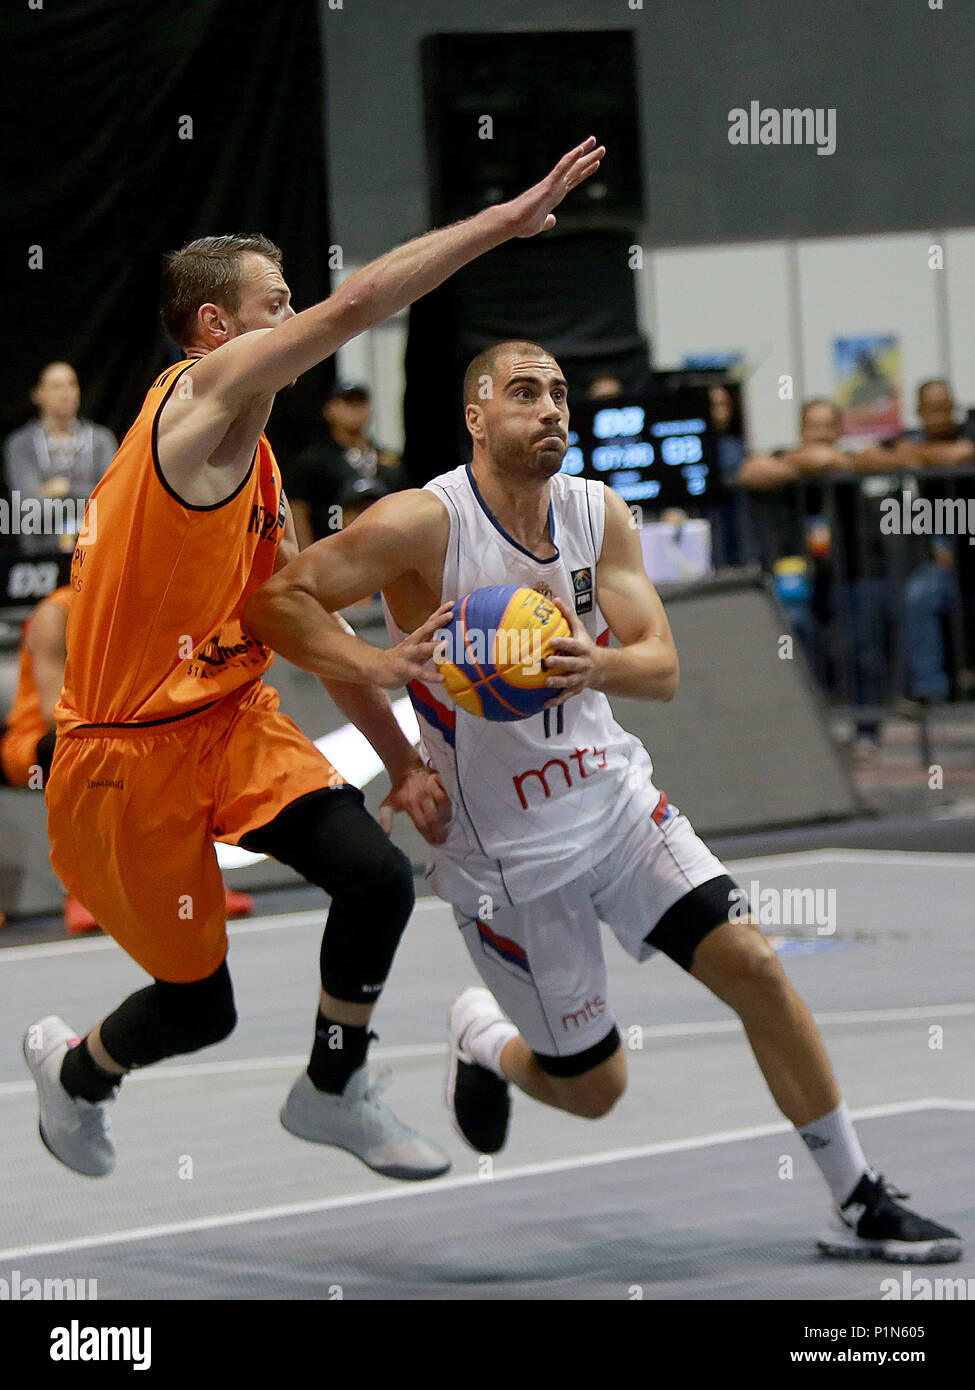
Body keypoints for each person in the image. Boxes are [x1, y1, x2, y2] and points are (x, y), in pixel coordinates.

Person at [245, 340, 961, 1264]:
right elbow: (280, 605)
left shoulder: (598, 512)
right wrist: (393, 725)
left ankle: (855, 1196)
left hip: (615, 801)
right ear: (475, 416)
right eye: (524, 394)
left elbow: (659, 666)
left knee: (754, 966)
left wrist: (600, 663)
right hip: (505, 856)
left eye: (559, 394)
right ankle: (484, 1040)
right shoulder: (420, 523)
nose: (550, 410)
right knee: (594, 1090)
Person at [23, 136, 607, 1182]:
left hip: (230, 725)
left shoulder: (259, 466)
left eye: (293, 302)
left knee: (376, 879)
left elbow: (302, 624)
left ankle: (332, 1086)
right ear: (216, 328)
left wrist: (406, 756)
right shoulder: (191, 405)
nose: (298, 320)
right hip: (123, 760)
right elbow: (354, 310)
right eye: (275, 304)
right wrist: (500, 226)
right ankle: (78, 1072)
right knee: (201, 1009)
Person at [0, 587, 253, 934]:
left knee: (185, 743)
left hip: (121, 729)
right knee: (94, 751)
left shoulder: (150, 608)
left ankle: (199, 887)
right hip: (37, 744)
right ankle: (84, 893)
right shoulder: (55, 615)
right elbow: (52, 714)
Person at [2, 363, 117, 555]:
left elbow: (112, 502)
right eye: (57, 386)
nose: (66, 393)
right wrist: (88, 495)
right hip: (41, 559)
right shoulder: (21, 444)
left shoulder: (101, 440)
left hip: (94, 555)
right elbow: (31, 512)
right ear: (38, 394)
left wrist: (64, 488)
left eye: (71, 385)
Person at [286, 384, 406, 549]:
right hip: (332, 550)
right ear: (329, 409)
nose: (355, 410)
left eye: (361, 403)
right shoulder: (314, 461)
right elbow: (297, 510)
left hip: (383, 550)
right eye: (348, 403)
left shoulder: (389, 461)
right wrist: (303, 557)